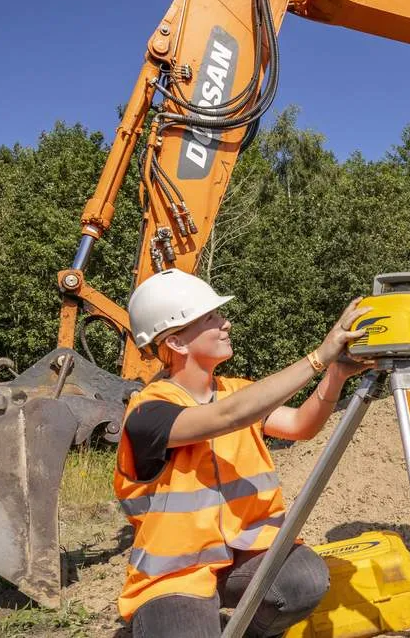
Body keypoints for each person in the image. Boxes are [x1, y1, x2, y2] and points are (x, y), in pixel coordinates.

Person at [113, 268, 371, 637]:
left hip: (243, 557)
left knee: (303, 580)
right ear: (176, 343)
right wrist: (318, 357)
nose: (226, 323)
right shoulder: (148, 413)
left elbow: (300, 425)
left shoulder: (237, 391)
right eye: (211, 318)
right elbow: (226, 417)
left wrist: (336, 374)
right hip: (175, 576)